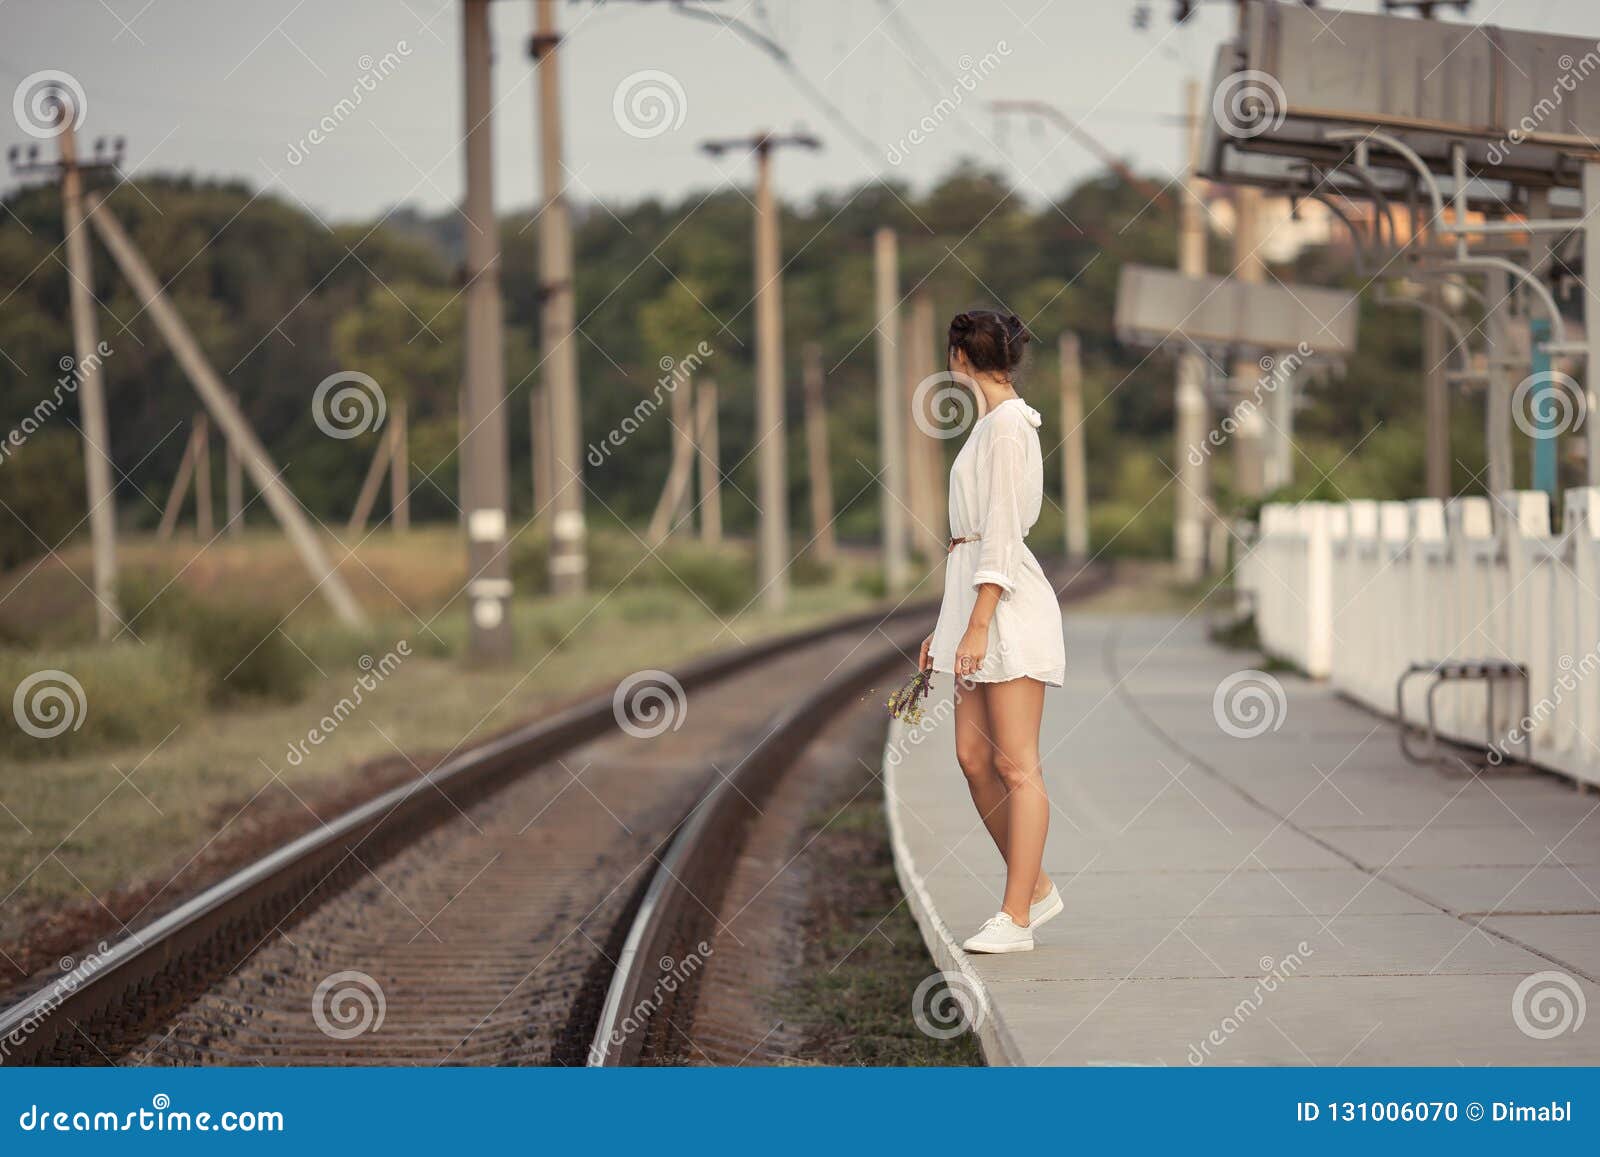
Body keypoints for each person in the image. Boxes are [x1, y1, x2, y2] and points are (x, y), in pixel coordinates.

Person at [918, 310, 1066, 954]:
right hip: (976, 601)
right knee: (973, 758)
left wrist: (975, 626)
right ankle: (1034, 886)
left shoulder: (1007, 429)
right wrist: (946, 627)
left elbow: (1001, 537)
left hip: (1007, 608)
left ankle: (1017, 918)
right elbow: (970, 543)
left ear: (958, 357)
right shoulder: (990, 427)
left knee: (1015, 763)